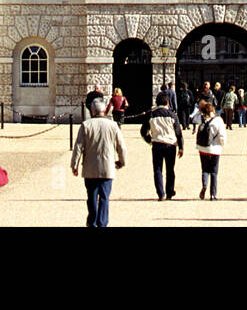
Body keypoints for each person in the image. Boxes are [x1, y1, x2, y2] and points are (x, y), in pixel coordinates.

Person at [71, 97, 128, 227]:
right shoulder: (113, 125)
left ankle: (92, 221)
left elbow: (78, 147)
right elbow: (121, 147)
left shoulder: (86, 125)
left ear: (92, 111)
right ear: (104, 111)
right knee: (104, 198)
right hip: (107, 167)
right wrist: (122, 162)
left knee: (91, 198)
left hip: (90, 168)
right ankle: (102, 223)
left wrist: (74, 165)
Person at [141, 90, 184, 200]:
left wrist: (149, 140)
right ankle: (169, 192)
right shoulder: (172, 115)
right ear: (167, 103)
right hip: (170, 144)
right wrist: (181, 147)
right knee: (170, 169)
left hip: (157, 144)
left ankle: (161, 193)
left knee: (157, 169)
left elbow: (143, 131)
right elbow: (178, 132)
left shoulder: (151, 114)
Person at [195, 100, 227, 200]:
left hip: (203, 148)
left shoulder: (201, 118)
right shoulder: (218, 120)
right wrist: (222, 144)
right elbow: (222, 136)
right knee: (214, 172)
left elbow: (194, 119)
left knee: (205, 169)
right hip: (215, 148)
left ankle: (204, 185)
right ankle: (213, 194)